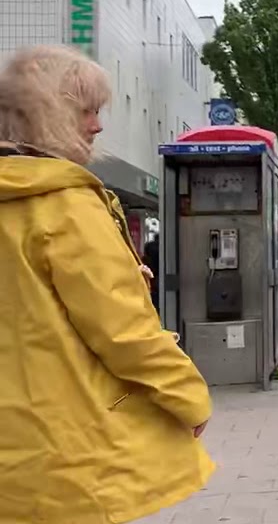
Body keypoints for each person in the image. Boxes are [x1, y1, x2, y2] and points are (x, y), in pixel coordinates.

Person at [0, 45, 214, 523]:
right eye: (87, 111)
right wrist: (188, 397)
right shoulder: (64, 206)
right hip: (66, 456)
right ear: (47, 114)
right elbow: (123, 331)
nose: (97, 125)